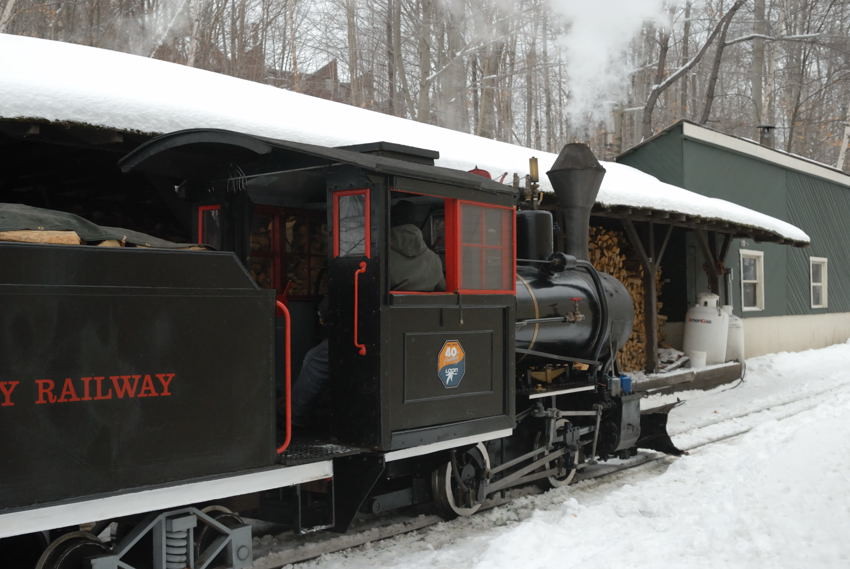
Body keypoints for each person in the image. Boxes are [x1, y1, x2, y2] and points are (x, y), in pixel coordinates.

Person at [389, 200, 446, 291]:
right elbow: (442, 289)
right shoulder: (434, 258)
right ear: (414, 221)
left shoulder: (383, 258)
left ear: (391, 220)